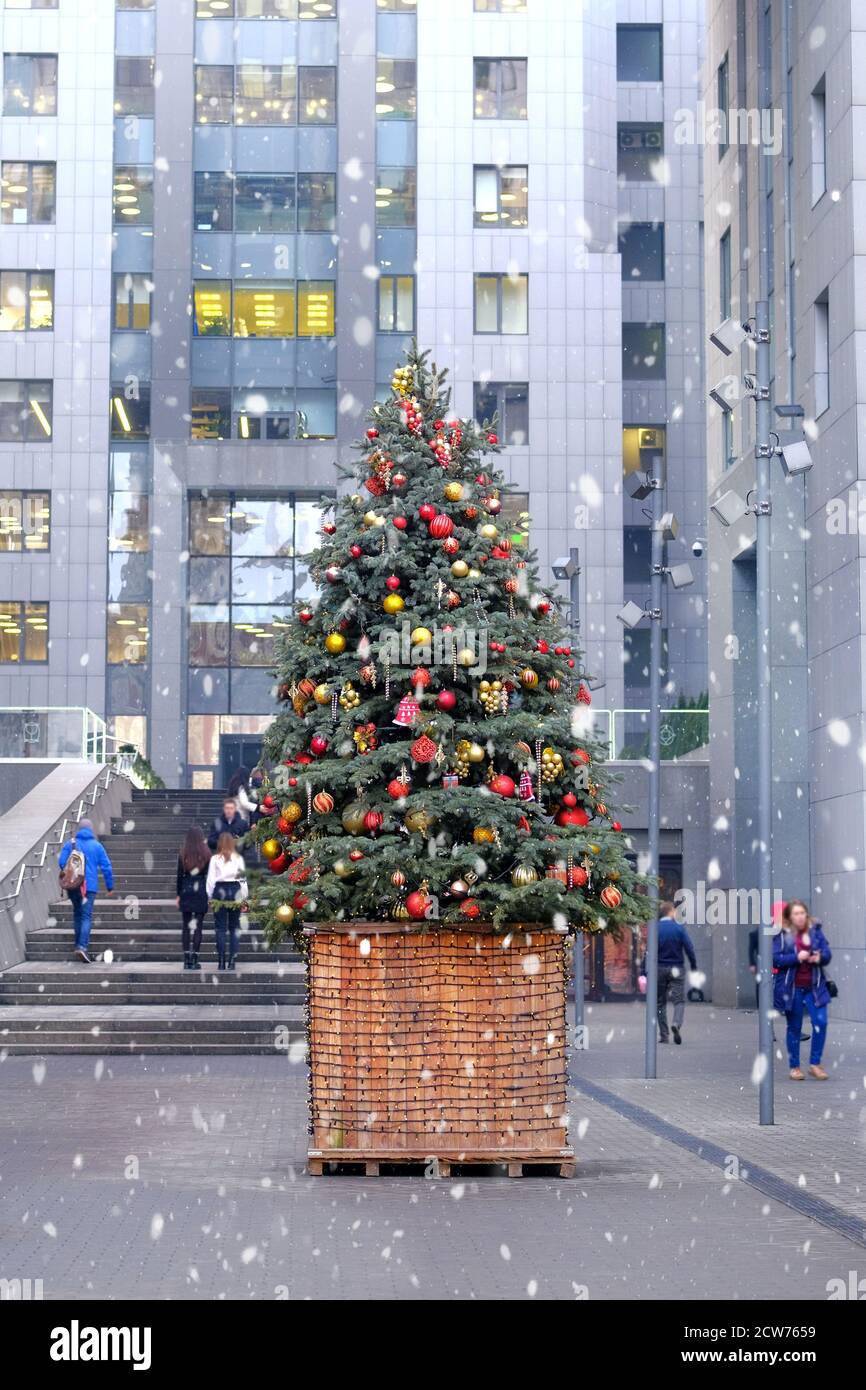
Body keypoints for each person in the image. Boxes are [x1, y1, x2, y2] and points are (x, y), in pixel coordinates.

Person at [773, 899, 832, 1080]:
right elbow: (776, 959)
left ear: (806, 915)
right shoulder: (783, 935)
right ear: (790, 917)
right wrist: (797, 957)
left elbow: (827, 953)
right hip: (793, 988)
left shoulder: (815, 932)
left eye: (802, 913)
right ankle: (795, 1067)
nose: (799, 917)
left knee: (821, 1022)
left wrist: (819, 957)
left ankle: (815, 1063)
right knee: (794, 1027)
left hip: (815, 987)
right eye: (795, 914)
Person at [57, 820, 114, 964]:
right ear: (90, 829)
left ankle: (78, 944)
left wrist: (73, 871)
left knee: (77, 914)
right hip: (89, 887)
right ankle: (82, 946)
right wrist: (110, 886)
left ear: (79, 829)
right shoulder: (96, 846)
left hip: (73, 885)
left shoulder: (71, 844)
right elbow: (106, 867)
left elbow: (62, 862)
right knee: (86, 916)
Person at [642, 901, 698, 1045]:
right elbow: (689, 948)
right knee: (679, 1000)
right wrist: (693, 965)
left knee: (660, 1002)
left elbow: (648, 952)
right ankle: (676, 1023)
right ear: (671, 912)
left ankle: (664, 1035)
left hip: (659, 969)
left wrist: (643, 970)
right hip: (677, 968)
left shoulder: (655, 929)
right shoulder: (679, 928)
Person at [205, 832, 248, 970]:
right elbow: (243, 880)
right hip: (235, 890)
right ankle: (232, 961)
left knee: (220, 928)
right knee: (234, 928)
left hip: (220, 890)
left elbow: (210, 880)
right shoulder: (238, 859)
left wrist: (210, 897)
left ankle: (221, 961)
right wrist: (244, 898)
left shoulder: (215, 859)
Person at [175, 826, 211, 971]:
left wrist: (178, 894)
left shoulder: (183, 852)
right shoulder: (206, 853)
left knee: (186, 926)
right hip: (200, 887)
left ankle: (186, 959)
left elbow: (179, 875)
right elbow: (209, 875)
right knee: (198, 926)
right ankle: (195, 958)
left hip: (186, 887)